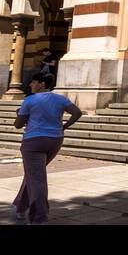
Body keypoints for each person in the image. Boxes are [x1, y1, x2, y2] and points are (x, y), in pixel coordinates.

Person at [12, 72, 81, 224]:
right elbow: (77, 112)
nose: (30, 85)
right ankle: (20, 206)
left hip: (34, 141)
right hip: (55, 140)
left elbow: (18, 125)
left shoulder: (30, 100)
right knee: (34, 175)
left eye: (33, 82)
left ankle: (39, 217)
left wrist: (20, 113)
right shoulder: (61, 99)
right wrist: (65, 126)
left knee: (37, 179)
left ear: (42, 84)